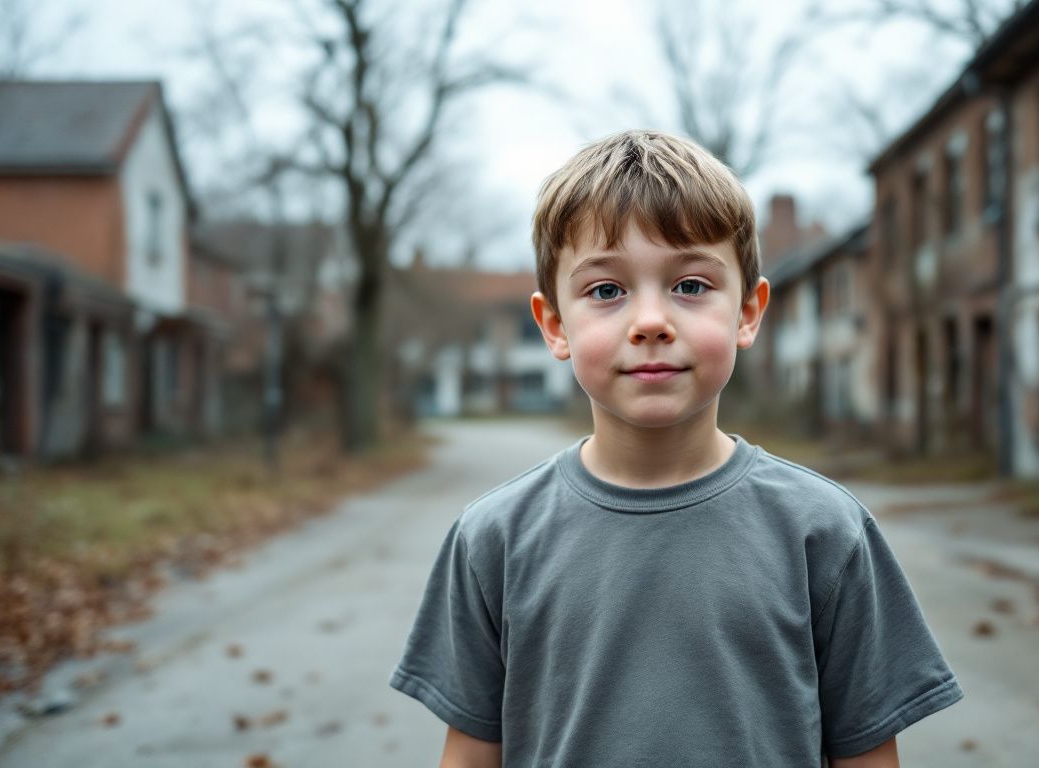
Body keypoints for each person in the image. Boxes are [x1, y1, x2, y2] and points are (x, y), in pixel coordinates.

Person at [389, 129, 963, 767]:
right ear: (555, 325)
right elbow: (470, 756)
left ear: (747, 312)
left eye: (690, 285)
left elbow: (867, 756)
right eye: (606, 290)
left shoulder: (825, 531)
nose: (651, 321)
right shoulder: (492, 538)